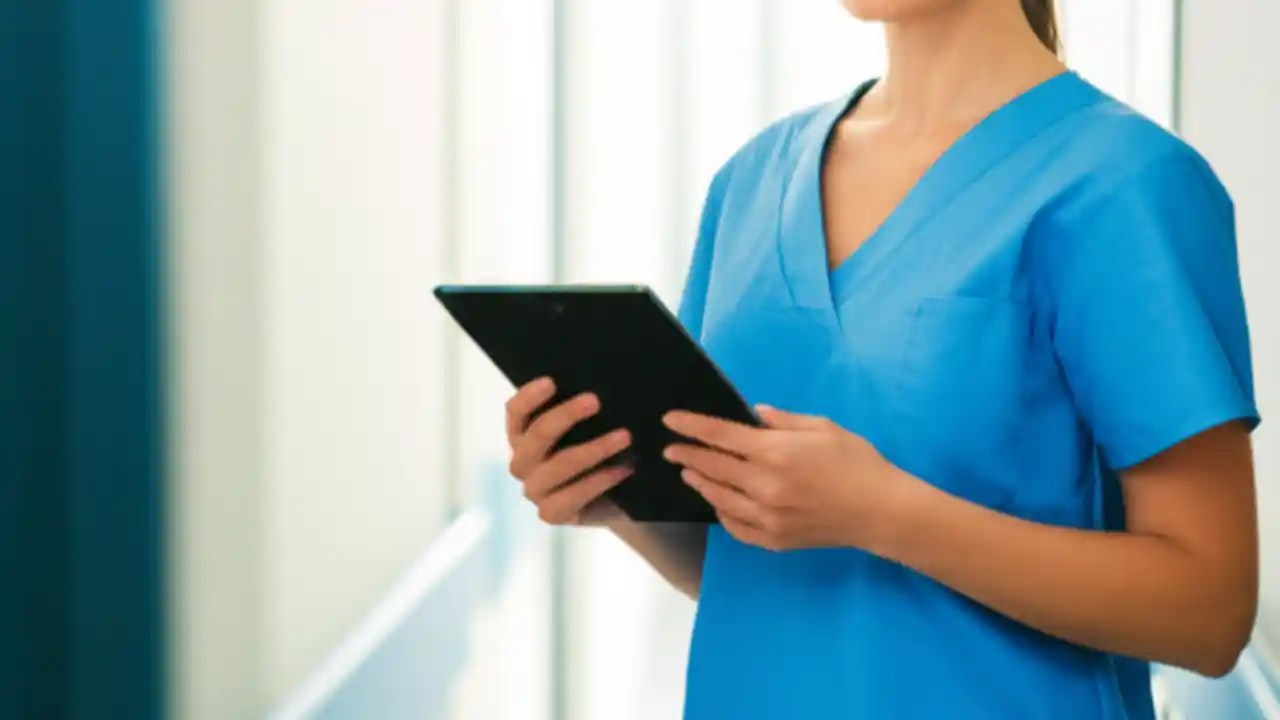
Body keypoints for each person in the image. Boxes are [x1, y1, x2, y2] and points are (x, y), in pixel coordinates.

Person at [503, 0, 1260, 717]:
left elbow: (1209, 611)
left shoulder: (1124, 184)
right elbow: (750, 571)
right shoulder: (752, 180)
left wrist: (886, 514)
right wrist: (616, 497)